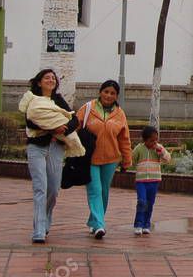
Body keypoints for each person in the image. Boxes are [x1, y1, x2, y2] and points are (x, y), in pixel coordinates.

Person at [19, 69, 78, 244]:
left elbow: (74, 120)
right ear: (39, 82)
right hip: (36, 146)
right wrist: (52, 128)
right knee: (40, 188)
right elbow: (30, 120)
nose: (50, 80)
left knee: (53, 189)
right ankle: (39, 230)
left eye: (53, 78)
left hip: (56, 147)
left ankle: (45, 218)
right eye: (47, 77)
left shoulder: (58, 100)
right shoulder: (32, 98)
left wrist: (63, 129)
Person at [81, 79, 132, 239]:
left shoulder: (120, 114)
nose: (109, 95)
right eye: (106, 91)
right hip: (89, 157)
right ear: (100, 92)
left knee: (103, 191)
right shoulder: (88, 108)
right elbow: (74, 127)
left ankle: (94, 221)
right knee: (94, 190)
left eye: (113, 93)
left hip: (111, 158)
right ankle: (100, 225)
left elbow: (124, 139)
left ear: (116, 96)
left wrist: (126, 160)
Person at [132, 126, 171, 236]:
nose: (154, 142)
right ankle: (138, 224)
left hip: (154, 181)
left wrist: (161, 152)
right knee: (142, 201)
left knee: (150, 203)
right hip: (141, 181)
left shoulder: (158, 148)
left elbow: (168, 159)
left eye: (156, 140)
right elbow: (132, 159)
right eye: (151, 141)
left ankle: (146, 224)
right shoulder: (139, 148)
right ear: (145, 140)